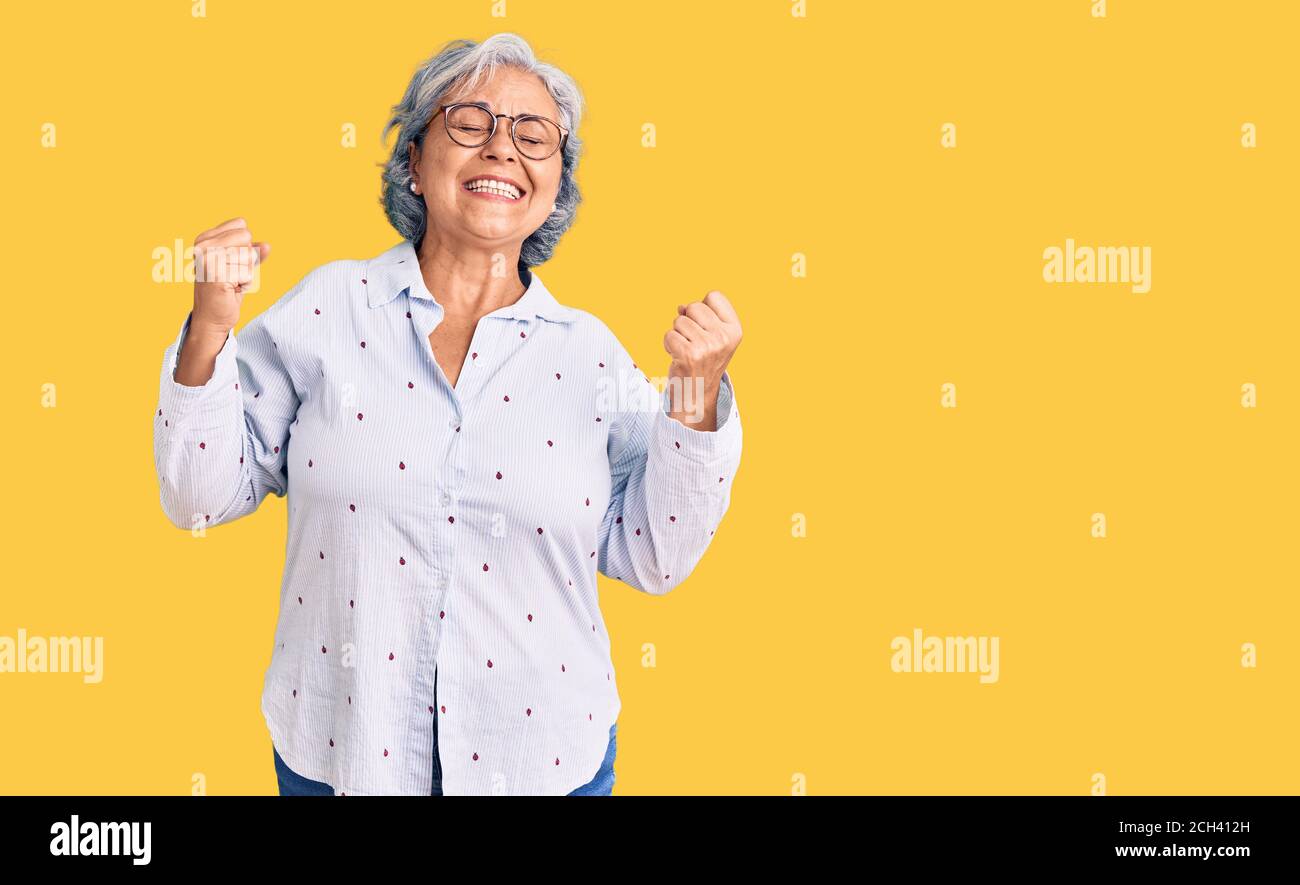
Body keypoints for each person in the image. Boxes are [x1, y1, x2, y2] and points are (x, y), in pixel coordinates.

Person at [153, 33, 743, 795]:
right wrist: (208, 325)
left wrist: (696, 387)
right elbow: (198, 496)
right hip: (342, 749)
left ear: (555, 184)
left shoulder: (589, 354)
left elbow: (654, 554)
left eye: (533, 136)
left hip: (545, 760)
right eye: (470, 122)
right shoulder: (329, 309)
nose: (503, 148)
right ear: (413, 163)